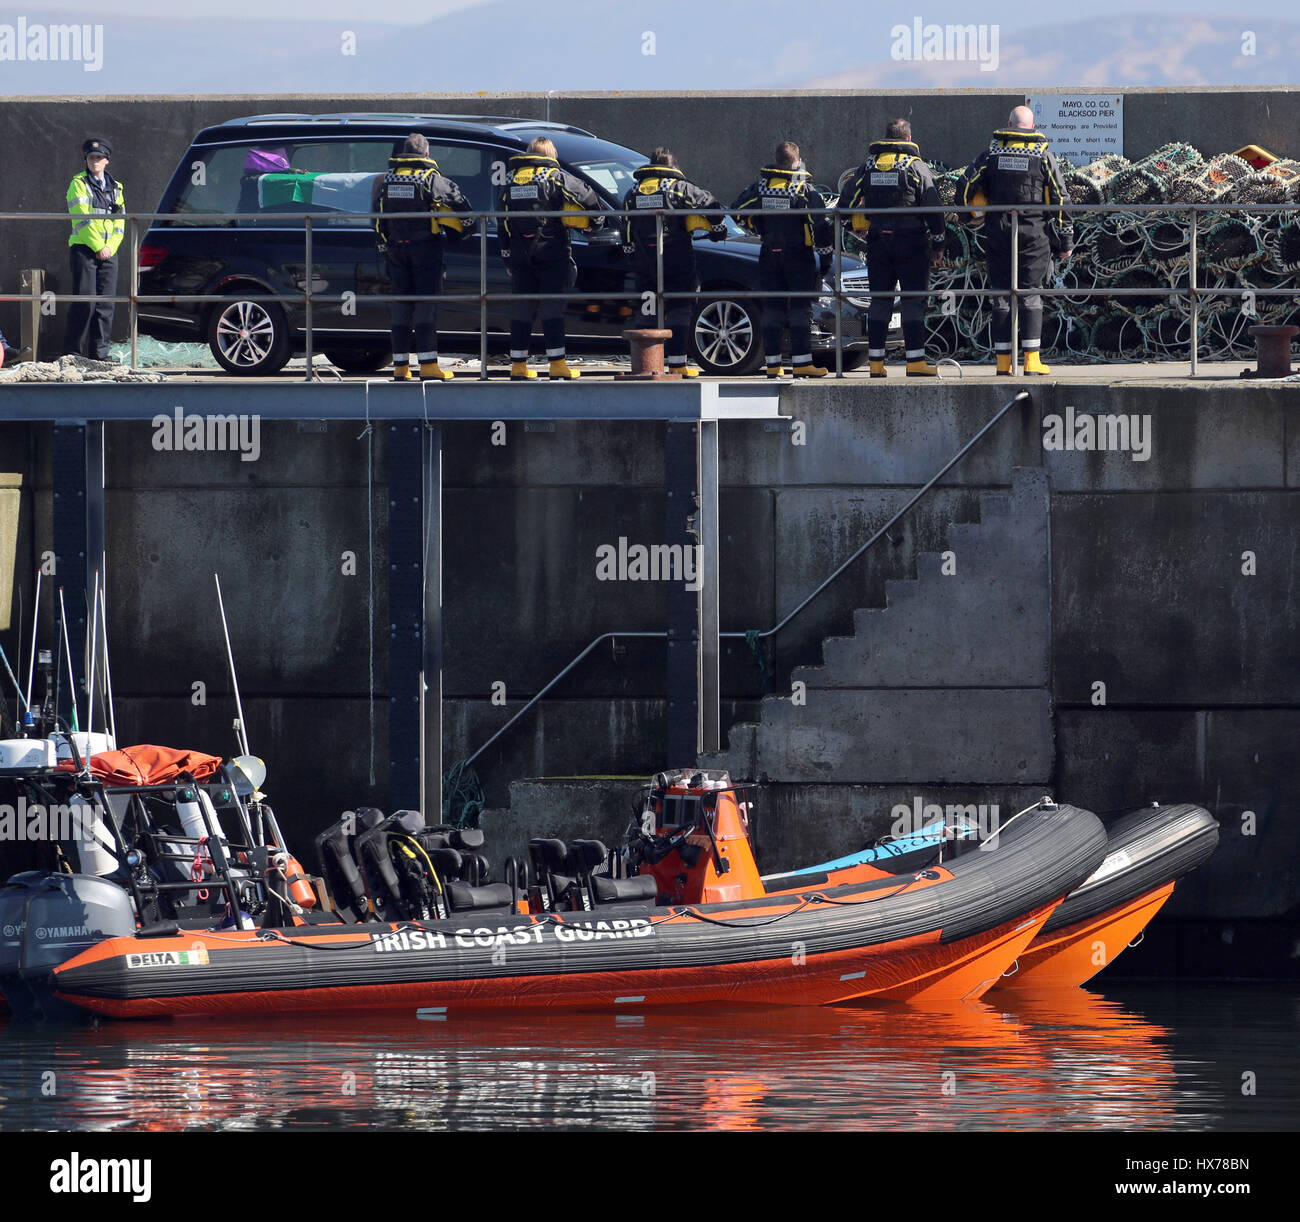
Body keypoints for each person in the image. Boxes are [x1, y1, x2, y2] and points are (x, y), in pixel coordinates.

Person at [957, 106, 1073, 376]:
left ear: (1008, 124)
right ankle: (1032, 360)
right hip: (1034, 233)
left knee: (1001, 295)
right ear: (1032, 128)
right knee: (1030, 294)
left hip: (998, 230)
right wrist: (1065, 241)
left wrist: (971, 217)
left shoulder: (990, 155)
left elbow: (964, 188)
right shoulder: (1043, 156)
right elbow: (1060, 197)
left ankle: (1003, 362)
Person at [840, 119, 945, 377]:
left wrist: (854, 225)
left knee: (879, 300)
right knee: (912, 300)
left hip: (878, 241)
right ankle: (915, 362)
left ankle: (876, 364)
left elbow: (846, 202)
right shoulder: (915, 166)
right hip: (911, 241)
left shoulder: (867, 166)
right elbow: (933, 206)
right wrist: (940, 242)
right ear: (908, 139)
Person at [498, 136, 605, 380]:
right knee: (552, 307)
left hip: (519, 254)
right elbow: (587, 197)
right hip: (552, 250)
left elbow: (502, 219)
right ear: (550, 155)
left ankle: (518, 365)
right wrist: (596, 221)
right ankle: (556, 364)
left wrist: (507, 256)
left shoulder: (510, 180)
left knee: (523, 308)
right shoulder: (555, 177)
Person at [372, 133, 476, 382]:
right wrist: (464, 232)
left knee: (401, 306)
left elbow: (377, 219)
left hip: (396, 249)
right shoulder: (431, 179)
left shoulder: (386, 180)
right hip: (426, 250)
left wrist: (385, 248)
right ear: (426, 154)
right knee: (425, 306)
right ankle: (428, 365)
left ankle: (400, 367)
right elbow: (464, 209)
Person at [731, 142, 834, 377]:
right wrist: (826, 258)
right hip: (799, 256)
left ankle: (773, 365)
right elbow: (820, 226)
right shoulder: (804, 191)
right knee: (800, 309)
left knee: (772, 309)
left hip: (769, 253)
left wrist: (756, 226)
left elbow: (736, 209)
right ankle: (802, 363)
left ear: (777, 161)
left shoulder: (759, 188)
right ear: (798, 162)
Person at [621, 148, 726, 377]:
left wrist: (631, 252)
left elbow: (625, 226)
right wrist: (718, 228)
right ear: (673, 166)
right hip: (676, 254)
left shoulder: (633, 192)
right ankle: (677, 364)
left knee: (647, 308)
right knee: (680, 307)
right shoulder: (679, 187)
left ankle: (645, 364)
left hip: (645, 259)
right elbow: (711, 205)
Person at [64, 136, 125, 361]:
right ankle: (72, 353)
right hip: (84, 250)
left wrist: (110, 248)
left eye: (99, 157)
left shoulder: (116, 187)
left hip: (109, 253)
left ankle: (100, 356)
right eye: (91, 157)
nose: (95, 161)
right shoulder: (78, 183)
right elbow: (81, 219)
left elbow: (121, 222)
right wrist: (99, 246)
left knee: (105, 305)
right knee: (84, 303)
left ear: (107, 160)